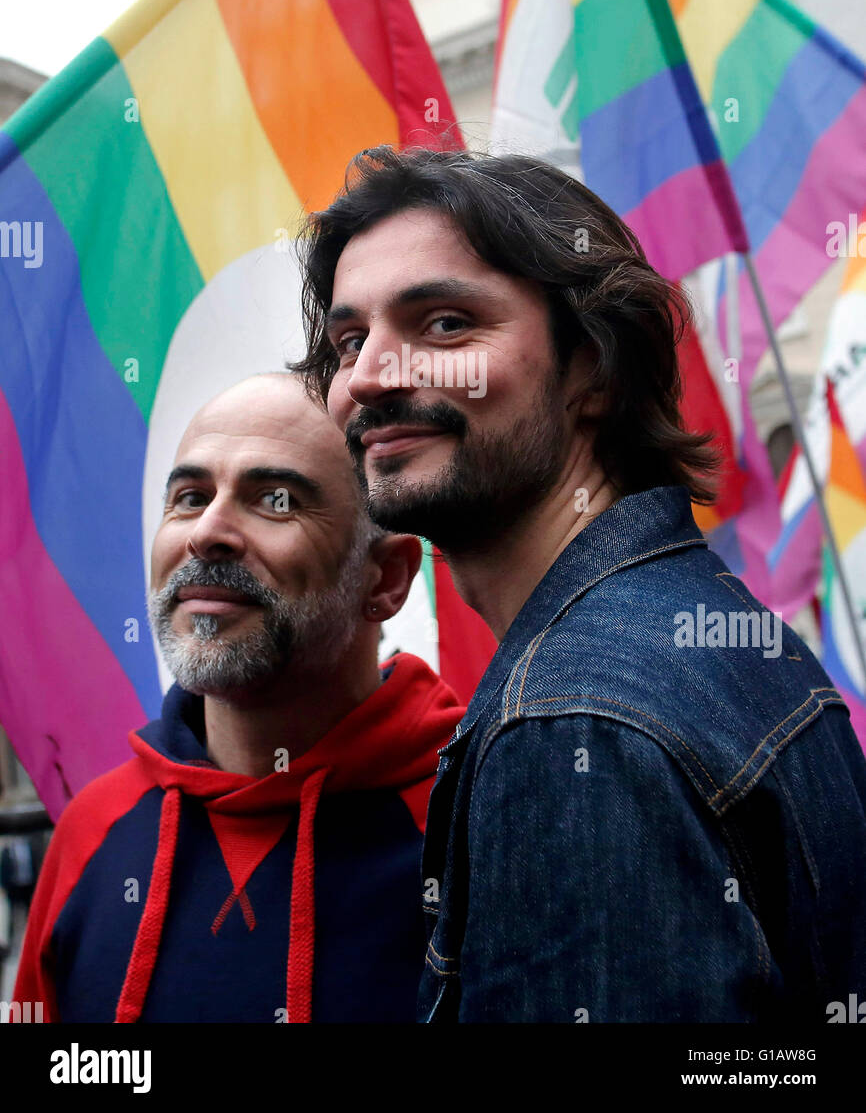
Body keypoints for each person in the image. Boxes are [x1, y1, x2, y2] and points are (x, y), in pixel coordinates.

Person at [291, 145, 866, 1023]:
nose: (369, 375)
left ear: (592, 366)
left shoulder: (569, 726)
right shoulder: (700, 628)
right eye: (350, 340)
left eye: (445, 325)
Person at [13, 372, 462, 1023]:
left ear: (387, 578)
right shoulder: (93, 829)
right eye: (190, 498)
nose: (207, 534)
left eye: (275, 500)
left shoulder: (478, 822)